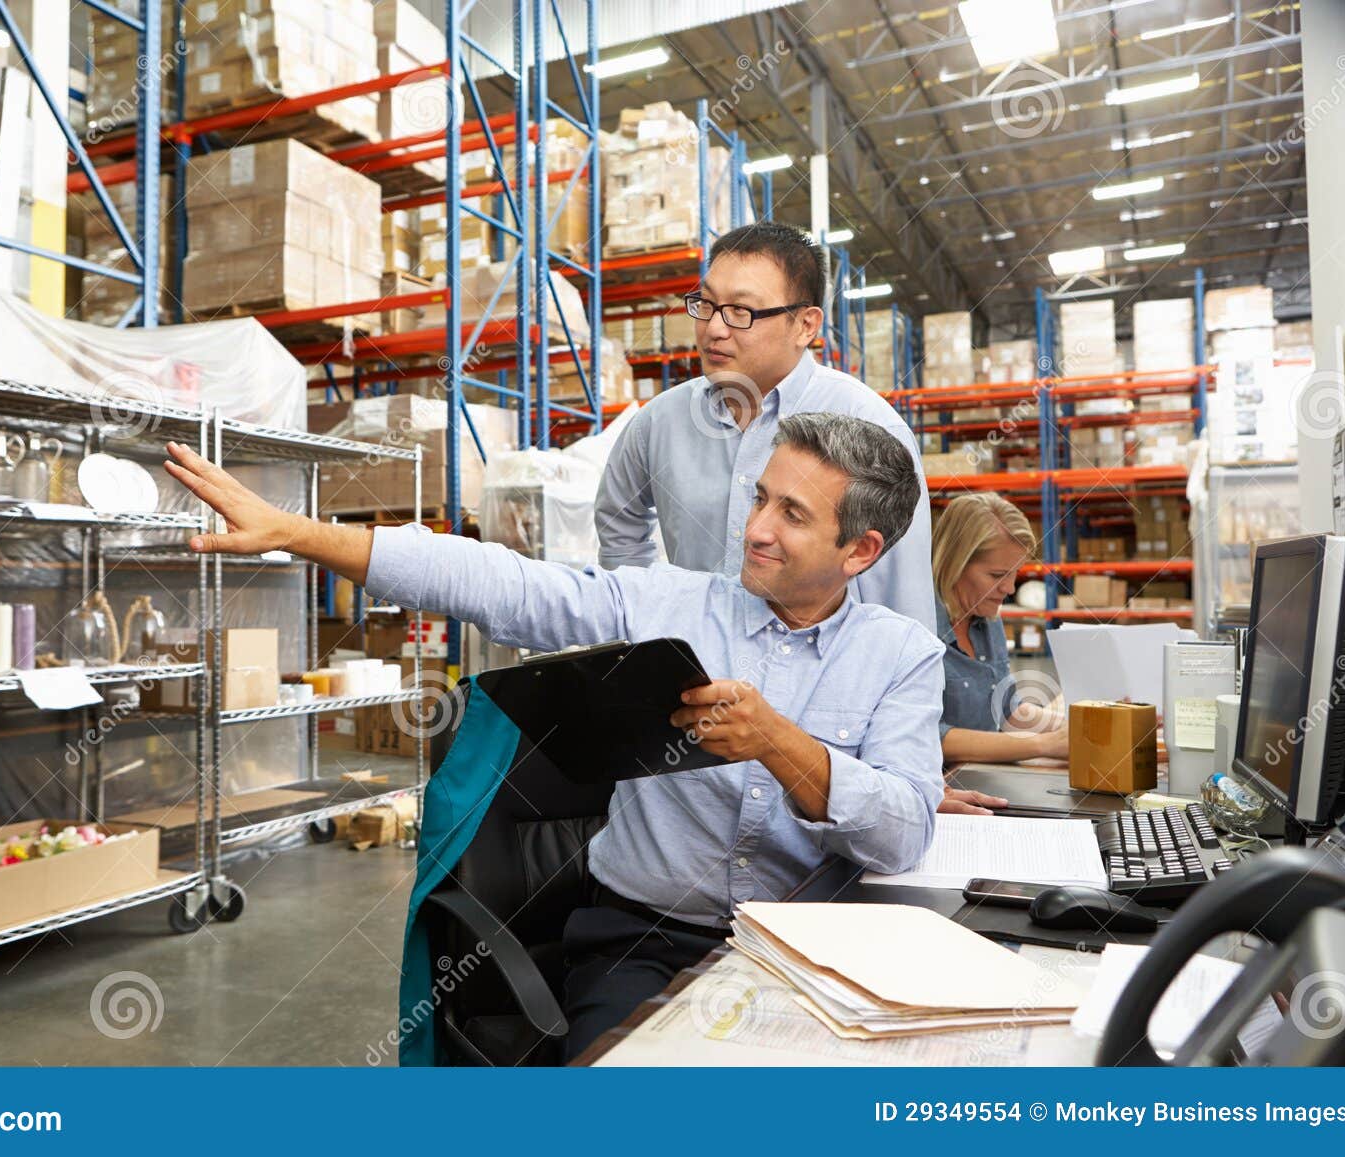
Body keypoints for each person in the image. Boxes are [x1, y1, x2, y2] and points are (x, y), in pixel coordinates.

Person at [162, 412, 943, 1060]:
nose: (757, 529)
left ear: (860, 550)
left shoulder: (901, 658)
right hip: (642, 942)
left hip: (812, 958)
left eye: (793, 514)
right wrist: (300, 532)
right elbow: (501, 582)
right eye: (762, 498)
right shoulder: (666, 604)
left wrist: (778, 741)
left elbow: (904, 832)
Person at [594, 221, 934, 631]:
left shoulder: (869, 425)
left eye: (741, 312)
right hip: (693, 674)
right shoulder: (659, 422)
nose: (714, 329)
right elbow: (618, 521)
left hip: (819, 682)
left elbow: (901, 598)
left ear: (805, 325)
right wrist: (647, 616)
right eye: (705, 304)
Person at [932, 493, 1069, 790]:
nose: (1008, 588)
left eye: (1014, 573)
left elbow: (1009, 710)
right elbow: (932, 735)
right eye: (996, 575)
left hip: (985, 778)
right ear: (955, 563)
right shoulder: (918, 626)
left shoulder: (987, 619)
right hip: (940, 792)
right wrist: (1045, 745)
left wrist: (1086, 723)